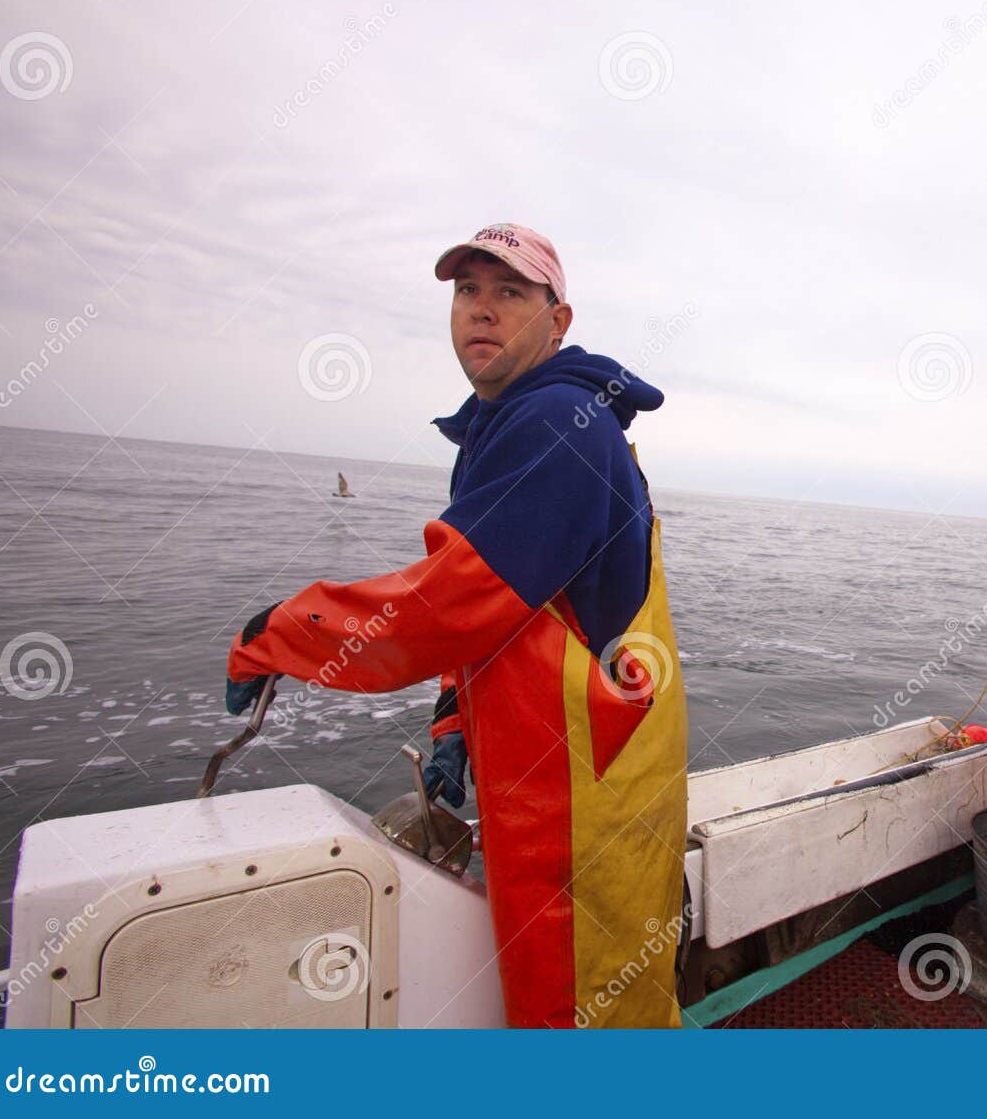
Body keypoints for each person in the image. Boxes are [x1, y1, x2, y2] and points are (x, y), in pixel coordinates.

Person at [223, 223, 687, 1028]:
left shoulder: (552, 426)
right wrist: (454, 718)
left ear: (559, 319)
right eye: (468, 290)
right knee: (613, 992)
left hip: (578, 782)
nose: (482, 309)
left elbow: (444, 605)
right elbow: (518, 604)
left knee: (576, 1007)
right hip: (586, 751)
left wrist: (282, 632)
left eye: (511, 293)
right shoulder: (520, 419)